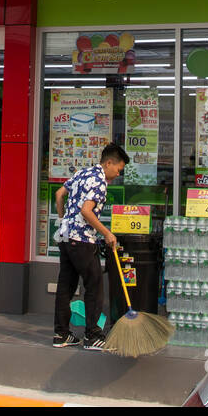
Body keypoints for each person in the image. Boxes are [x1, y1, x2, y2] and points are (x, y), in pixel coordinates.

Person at [52, 142, 128, 351]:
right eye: (118, 170)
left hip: (66, 239)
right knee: (94, 284)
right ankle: (93, 336)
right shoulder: (99, 182)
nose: (117, 174)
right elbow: (87, 211)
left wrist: (62, 220)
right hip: (83, 241)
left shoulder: (82, 173)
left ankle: (61, 334)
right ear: (109, 163)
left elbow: (59, 194)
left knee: (65, 287)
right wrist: (107, 233)